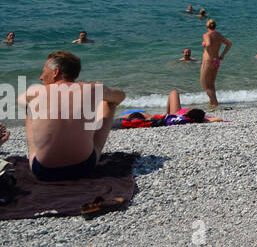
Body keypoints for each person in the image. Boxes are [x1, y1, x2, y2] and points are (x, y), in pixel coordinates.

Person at [21, 51, 124, 181]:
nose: (41, 77)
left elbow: (19, 101)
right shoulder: (92, 88)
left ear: (55, 72)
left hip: (44, 172)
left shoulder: (35, 92)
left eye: (44, 71)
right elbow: (120, 96)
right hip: (84, 168)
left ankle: (34, 153)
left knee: (29, 106)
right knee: (109, 102)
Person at [114, 90, 205, 129]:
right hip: (148, 117)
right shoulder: (184, 117)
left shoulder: (181, 115)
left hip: (145, 117)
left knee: (174, 92)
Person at [201, 18, 231, 109]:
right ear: (215, 26)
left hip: (208, 61)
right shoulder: (219, 35)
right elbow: (229, 44)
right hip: (216, 60)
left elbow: (209, 44)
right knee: (211, 84)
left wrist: (206, 45)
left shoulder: (206, 35)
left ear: (207, 26)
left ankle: (215, 103)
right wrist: (222, 55)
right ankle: (212, 103)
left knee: (205, 85)